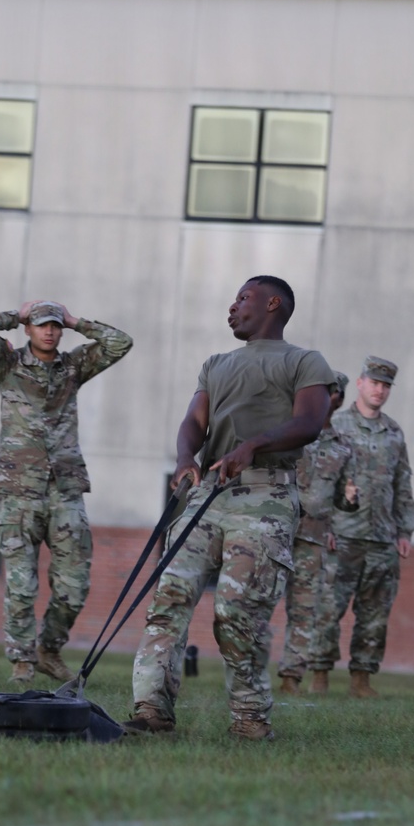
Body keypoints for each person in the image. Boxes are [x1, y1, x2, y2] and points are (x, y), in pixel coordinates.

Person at [128, 276, 334, 741]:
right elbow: (194, 421)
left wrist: (254, 446)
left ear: (273, 303)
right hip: (207, 496)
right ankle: (151, 711)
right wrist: (185, 459)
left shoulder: (304, 361)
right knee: (168, 599)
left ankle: (249, 718)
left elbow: (310, 422)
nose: (233, 306)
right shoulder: (216, 363)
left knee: (238, 610)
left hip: (266, 498)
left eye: (244, 298)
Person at [0, 300, 132, 684]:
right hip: (19, 491)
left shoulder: (73, 367)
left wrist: (78, 321)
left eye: (56, 326)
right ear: (29, 328)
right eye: (42, 324)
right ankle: (22, 661)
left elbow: (120, 343)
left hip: (65, 489)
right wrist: (15, 315)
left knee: (75, 584)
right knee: (21, 584)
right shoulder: (7, 365)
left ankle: (49, 648)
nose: (50, 331)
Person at [308, 355, 414, 698]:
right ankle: (320, 675)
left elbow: (403, 482)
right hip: (341, 534)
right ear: (360, 383)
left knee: (375, 614)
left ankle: (361, 679)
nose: (380, 391)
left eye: (386, 386)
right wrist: (323, 526)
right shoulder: (335, 426)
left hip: (382, 537)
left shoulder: (394, 432)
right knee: (328, 608)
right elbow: (321, 481)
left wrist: (404, 530)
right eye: (374, 383)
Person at [278, 372, 358, 694]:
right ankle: (247, 673)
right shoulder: (289, 430)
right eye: (326, 392)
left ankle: (290, 679)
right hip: (277, 529)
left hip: (313, 537)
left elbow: (343, 499)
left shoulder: (343, 448)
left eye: (337, 394)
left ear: (339, 401)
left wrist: (351, 500)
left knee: (304, 610)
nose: (331, 399)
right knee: (258, 603)